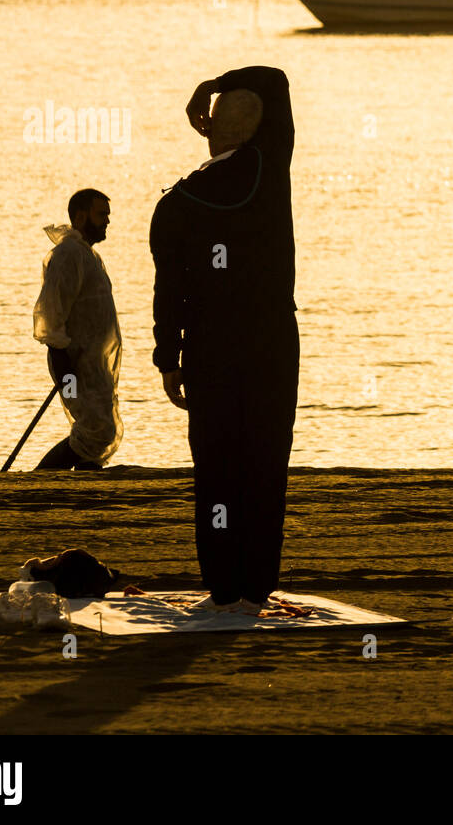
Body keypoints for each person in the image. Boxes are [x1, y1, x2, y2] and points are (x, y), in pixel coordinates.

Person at [150, 67, 299, 615]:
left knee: (216, 466)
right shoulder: (270, 166)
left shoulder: (177, 203)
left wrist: (168, 357)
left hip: (210, 345)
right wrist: (209, 85)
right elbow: (275, 79)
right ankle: (257, 584)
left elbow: (170, 289)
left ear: (208, 128)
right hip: (272, 340)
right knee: (266, 461)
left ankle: (223, 584)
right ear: (259, 127)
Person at [33, 188, 123, 469]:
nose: (107, 221)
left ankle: (85, 484)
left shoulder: (87, 255)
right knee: (95, 428)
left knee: (100, 425)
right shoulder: (68, 254)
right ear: (81, 217)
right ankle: (40, 480)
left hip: (92, 362)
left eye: (108, 215)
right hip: (73, 362)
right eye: (101, 215)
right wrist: (61, 357)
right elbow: (52, 309)